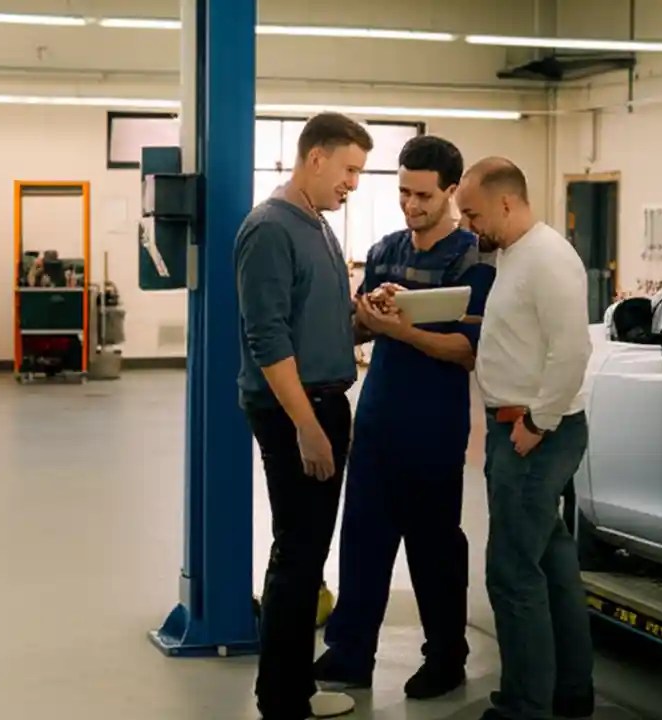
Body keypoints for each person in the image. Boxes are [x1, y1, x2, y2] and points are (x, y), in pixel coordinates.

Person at [312, 135, 494, 699]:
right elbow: (360, 330)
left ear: (451, 192)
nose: (411, 205)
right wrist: (369, 315)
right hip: (378, 416)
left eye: (422, 195)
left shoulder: (473, 260)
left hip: (434, 424)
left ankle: (445, 657)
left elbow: (467, 351)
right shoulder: (386, 249)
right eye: (403, 193)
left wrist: (402, 331)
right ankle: (350, 651)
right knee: (363, 536)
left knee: (434, 546)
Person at [235, 112, 373, 720]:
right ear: (315, 159)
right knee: (298, 555)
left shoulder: (317, 224)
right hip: (297, 411)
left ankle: (293, 690)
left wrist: (365, 317)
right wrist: (307, 426)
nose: (354, 184)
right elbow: (267, 339)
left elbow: (316, 317)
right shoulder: (270, 228)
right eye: (349, 170)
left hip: (323, 403)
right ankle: (284, 698)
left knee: (308, 552)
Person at [455, 157, 596, 720]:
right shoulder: (514, 255)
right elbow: (522, 333)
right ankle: (568, 691)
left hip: (533, 431)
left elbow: (573, 351)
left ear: (507, 203)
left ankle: (524, 706)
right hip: (522, 425)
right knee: (550, 561)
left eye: (473, 212)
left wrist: (536, 424)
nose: (468, 224)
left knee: (512, 572)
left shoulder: (548, 258)